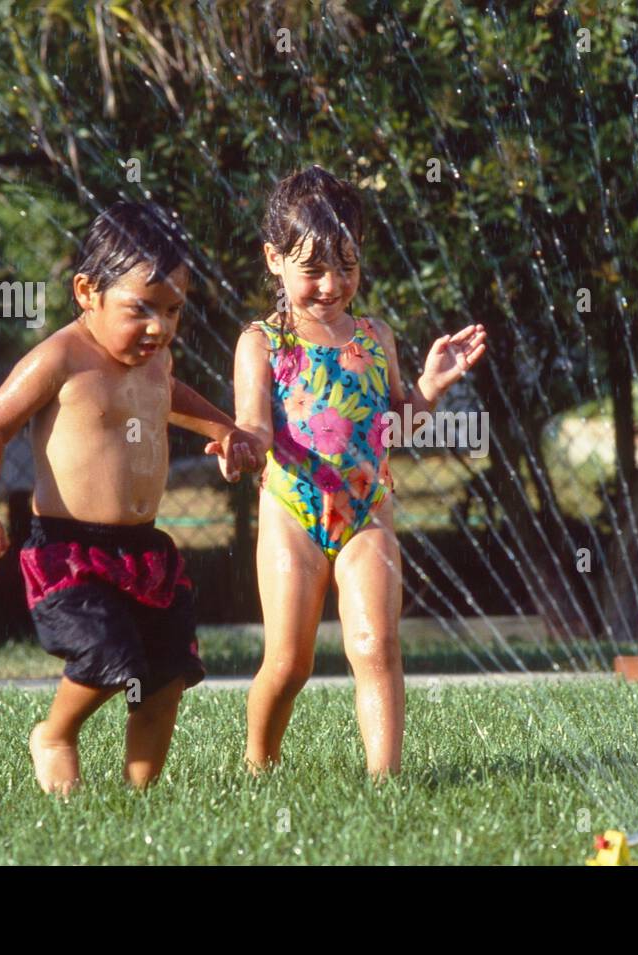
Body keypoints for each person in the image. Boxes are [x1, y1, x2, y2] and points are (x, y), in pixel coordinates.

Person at [0, 200, 263, 795]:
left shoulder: (155, 360)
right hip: (68, 552)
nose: (159, 327)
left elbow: (172, 394)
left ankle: (139, 797)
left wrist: (225, 428)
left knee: (166, 675)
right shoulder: (61, 358)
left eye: (173, 311)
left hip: (144, 549)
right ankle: (56, 733)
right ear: (86, 292)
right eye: (140, 309)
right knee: (108, 655)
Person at [228, 166, 487, 780]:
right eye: (313, 268)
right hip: (292, 510)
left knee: (377, 646)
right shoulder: (262, 343)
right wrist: (243, 443)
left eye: (346, 265)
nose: (331, 284)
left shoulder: (377, 337)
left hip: (368, 510)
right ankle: (258, 762)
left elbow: (396, 426)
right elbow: (256, 425)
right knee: (289, 663)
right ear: (274, 259)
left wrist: (428, 387)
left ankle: (385, 780)